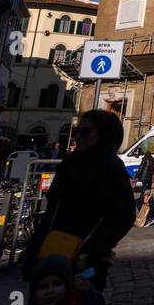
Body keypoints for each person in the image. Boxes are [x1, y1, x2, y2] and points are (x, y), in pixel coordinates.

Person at [24, 109, 135, 292]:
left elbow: (124, 214)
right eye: (77, 131)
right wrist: (35, 246)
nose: (78, 137)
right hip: (52, 247)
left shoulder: (111, 167)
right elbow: (53, 209)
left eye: (85, 132)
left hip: (87, 256)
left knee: (81, 304)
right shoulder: (70, 162)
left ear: (103, 134)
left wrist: (96, 248)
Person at [133, 152, 154, 228]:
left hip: (144, 178)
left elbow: (141, 168)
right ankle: (143, 215)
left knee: (143, 195)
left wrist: (136, 176)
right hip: (148, 179)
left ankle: (145, 216)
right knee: (143, 194)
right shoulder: (153, 160)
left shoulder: (144, 159)